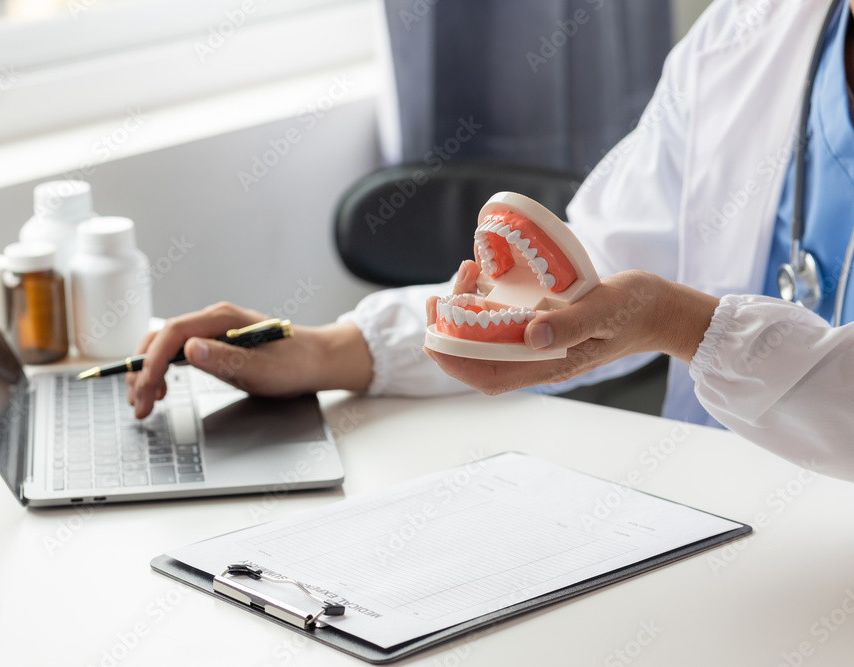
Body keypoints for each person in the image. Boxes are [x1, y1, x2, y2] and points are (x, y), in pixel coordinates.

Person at [129, 0, 854, 482]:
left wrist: (680, 322)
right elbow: (595, 275)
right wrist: (329, 350)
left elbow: (648, 305)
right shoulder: (750, 28)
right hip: (718, 517)